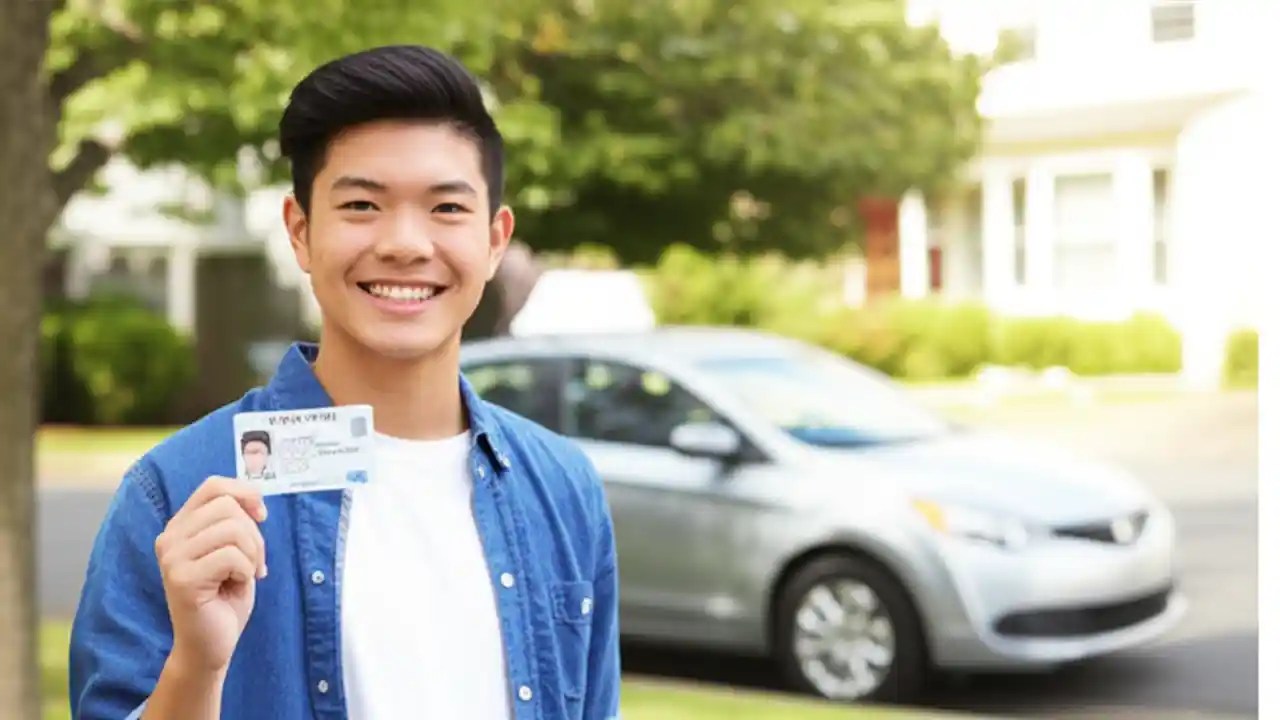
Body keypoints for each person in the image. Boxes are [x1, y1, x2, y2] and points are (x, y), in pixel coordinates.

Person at [68, 45, 622, 720]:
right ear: (300, 232)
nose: (405, 244)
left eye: (446, 208)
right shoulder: (177, 492)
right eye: (362, 204)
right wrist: (197, 667)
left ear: (495, 240)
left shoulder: (563, 489)